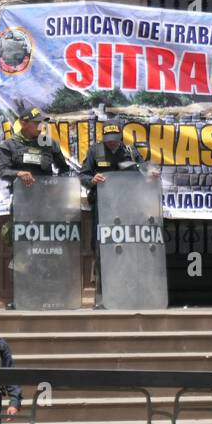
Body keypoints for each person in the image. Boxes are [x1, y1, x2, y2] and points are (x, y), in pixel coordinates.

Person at [80, 119, 156, 308]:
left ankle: (128, 293)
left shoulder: (129, 151)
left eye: (115, 139)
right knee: (102, 249)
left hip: (128, 207)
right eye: (108, 139)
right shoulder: (94, 151)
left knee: (129, 248)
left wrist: (151, 173)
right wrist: (92, 179)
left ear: (121, 136)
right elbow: (83, 175)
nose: (112, 143)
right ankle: (102, 297)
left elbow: (144, 170)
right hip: (103, 207)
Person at [0, 105, 73, 189]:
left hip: (46, 197)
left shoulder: (50, 143)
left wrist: (59, 185)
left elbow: (64, 169)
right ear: (23, 123)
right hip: (21, 198)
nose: (41, 126)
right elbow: (3, 172)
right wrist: (18, 174)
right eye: (37, 123)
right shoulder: (8, 145)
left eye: (42, 123)